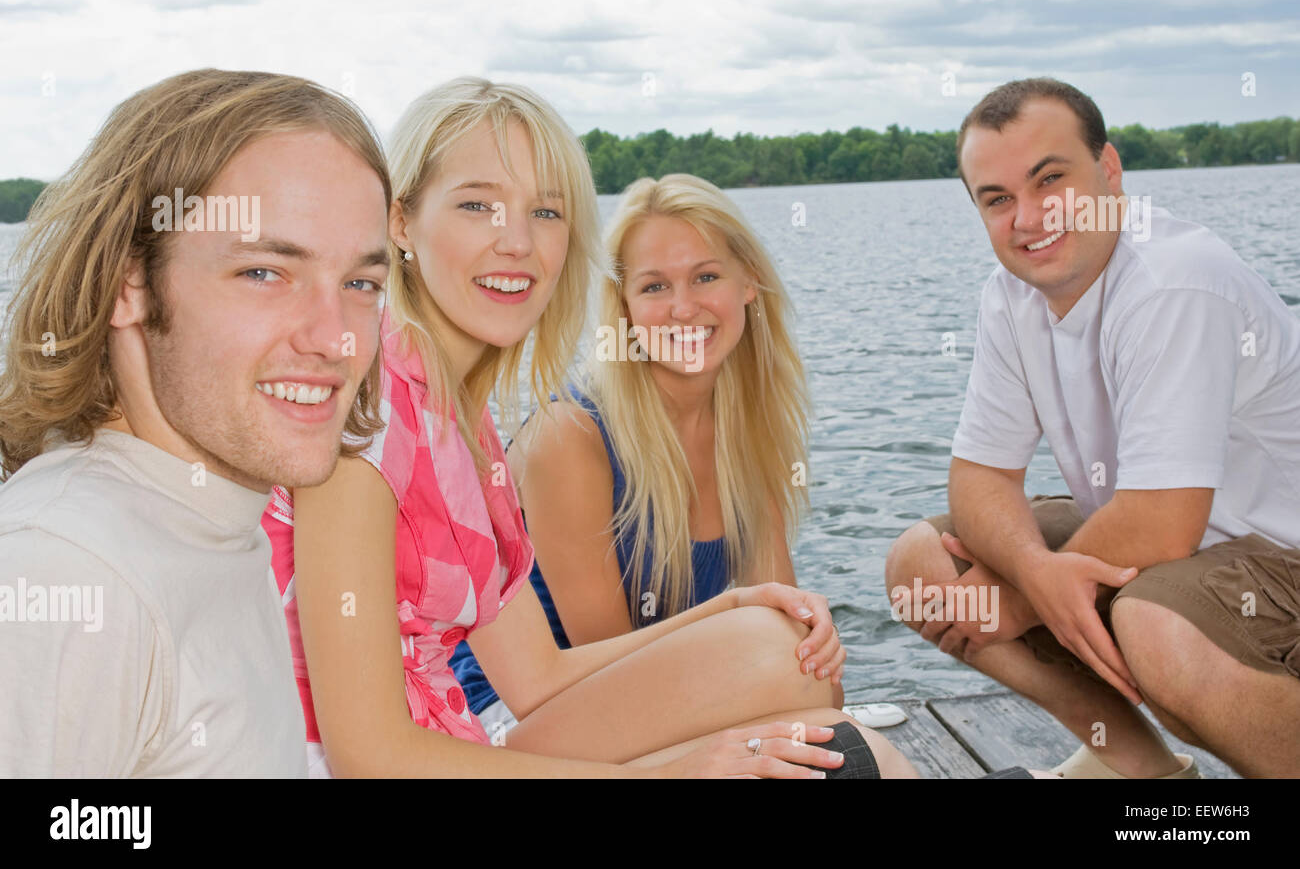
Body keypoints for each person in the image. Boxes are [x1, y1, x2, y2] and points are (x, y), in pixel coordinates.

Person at [267, 77, 917, 777]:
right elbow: (369, 758)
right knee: (829, 747)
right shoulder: (364, 413)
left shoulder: (462, 415)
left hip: (469, 745)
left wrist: (728, 605)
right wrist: (668, 774)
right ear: (400, 223)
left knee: (824, 724)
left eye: (545, 210)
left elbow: (539, 676)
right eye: (477, 205)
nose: (515, 240)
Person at [885, 77, 1300, 778]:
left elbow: (1163, 522)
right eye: (998, 199)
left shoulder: (1175, 281)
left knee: (1152, 622)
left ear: (1108, 170)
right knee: (925, 568)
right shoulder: (1011, 294)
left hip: (1279, 563)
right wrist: (1035, 570)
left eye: (1050, 180)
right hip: (1181, 560)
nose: (1028, 216)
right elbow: (981, 474)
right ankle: (1143, 771)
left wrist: (1022, 597)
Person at [0, 69, 393, 776]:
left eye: (360, 284)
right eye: (265, 273)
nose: (335, 338)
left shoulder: (208, 520)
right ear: (131, 287)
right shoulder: (69, 576)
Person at [452, 172, 835, 736]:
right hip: (511, 719)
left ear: (749, 283)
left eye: (706, 276)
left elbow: (789, 635)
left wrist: (811, 647)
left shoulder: (747, 435)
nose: (683, 309)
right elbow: (611, 668)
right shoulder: (570, 438)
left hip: (643, 700)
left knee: (804, 680)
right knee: (787, 685)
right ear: (625, 308)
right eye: (655, 287)